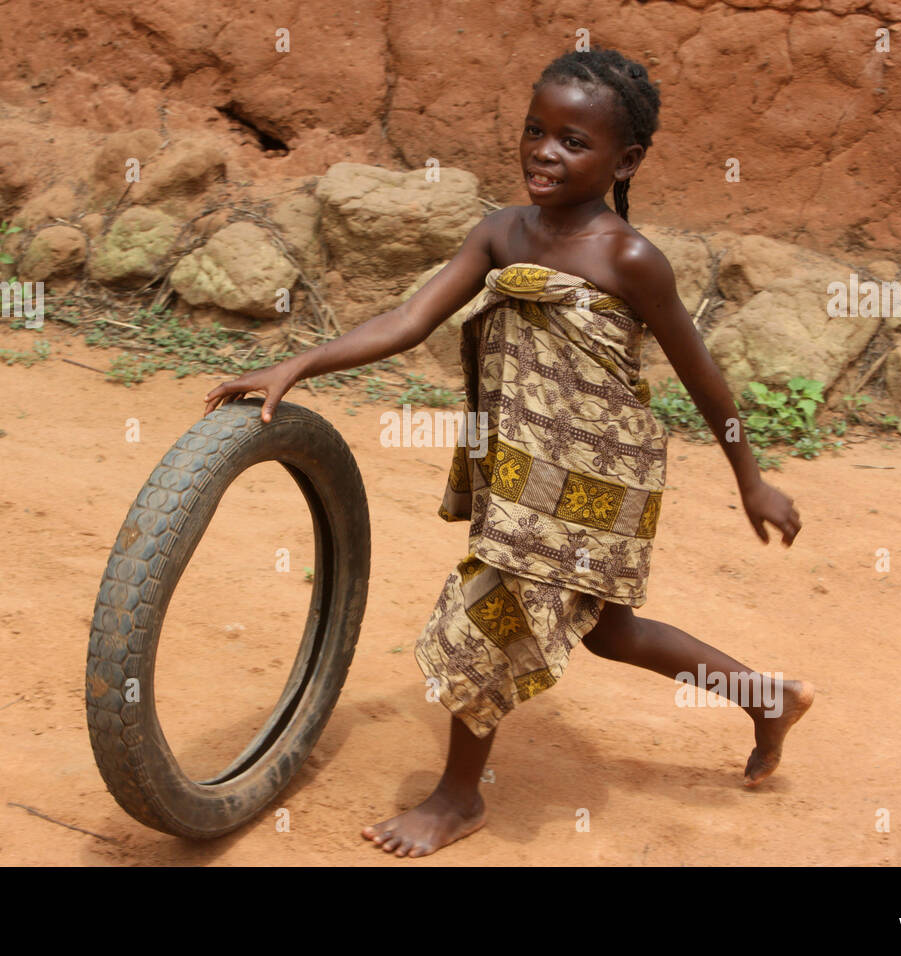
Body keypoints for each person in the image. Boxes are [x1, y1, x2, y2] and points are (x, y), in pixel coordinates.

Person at [203, 46, 813, 859]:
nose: (544, 151)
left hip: (598, 467)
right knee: (607, 632)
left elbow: (704, 378)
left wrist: (752, 481)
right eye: (535, 131)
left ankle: (458, 799)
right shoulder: (500, 233)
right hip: (522, 464)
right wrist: (300, 362)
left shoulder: (629, 258)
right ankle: (763, 697)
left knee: (487, 612)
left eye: (572, 140)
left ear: (624, 160)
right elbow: (409, 320)